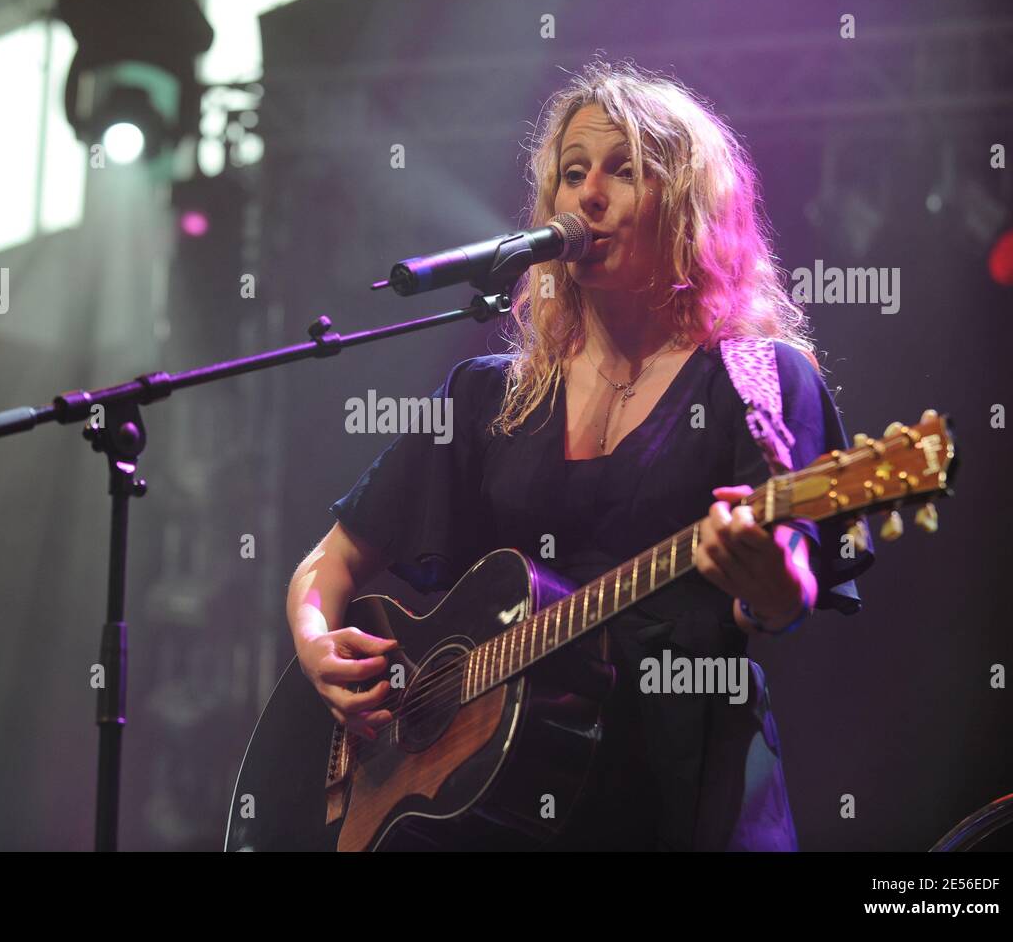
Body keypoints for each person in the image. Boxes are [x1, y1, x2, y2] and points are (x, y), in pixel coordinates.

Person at [285, 60, 873, 850]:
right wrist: (319, 643)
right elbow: (331, 560)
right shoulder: (491, 396)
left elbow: (786, 588)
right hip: (502, 809)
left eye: (625, 172)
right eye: (572, 172)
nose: (588, 195)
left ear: (687, 207)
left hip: (685, 792)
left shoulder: (760, 380)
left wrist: (772, 581)